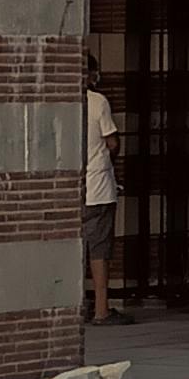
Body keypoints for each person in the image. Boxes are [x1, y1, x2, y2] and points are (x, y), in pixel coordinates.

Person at [82, 53, 120, 323]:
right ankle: (101, 309)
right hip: (97, 186)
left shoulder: (61, 102)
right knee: (99, 250)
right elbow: (112, 142)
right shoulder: (97, 102)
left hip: (72, 188)